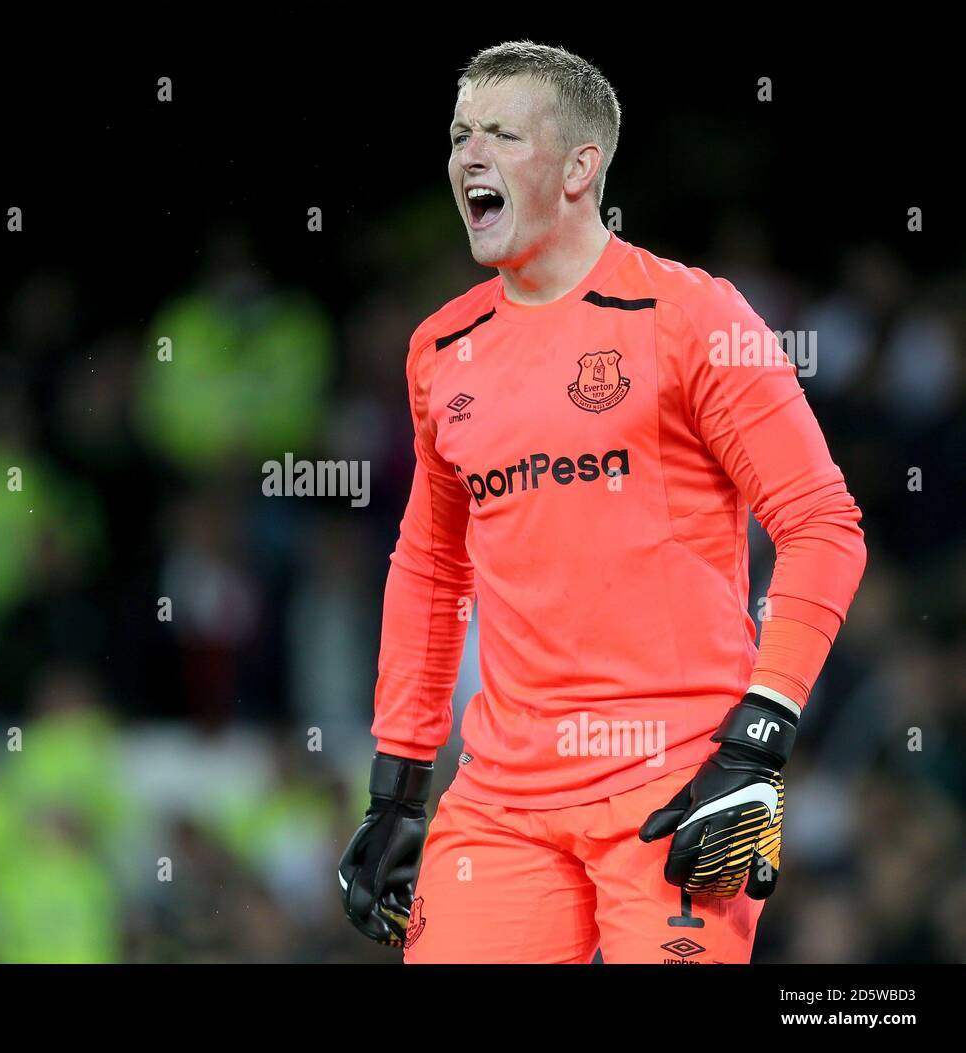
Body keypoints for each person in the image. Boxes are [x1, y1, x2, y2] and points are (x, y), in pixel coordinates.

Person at [338, 40, 865, 964]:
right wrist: (399, 783)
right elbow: (429, 565)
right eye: (461, 134)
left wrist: (758, 741)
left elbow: (821, 524)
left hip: (680, 784)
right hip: (502, 799)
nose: (471, 156)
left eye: (502, 133)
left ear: (582, 166)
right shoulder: (440, 348)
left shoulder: (695, 318)